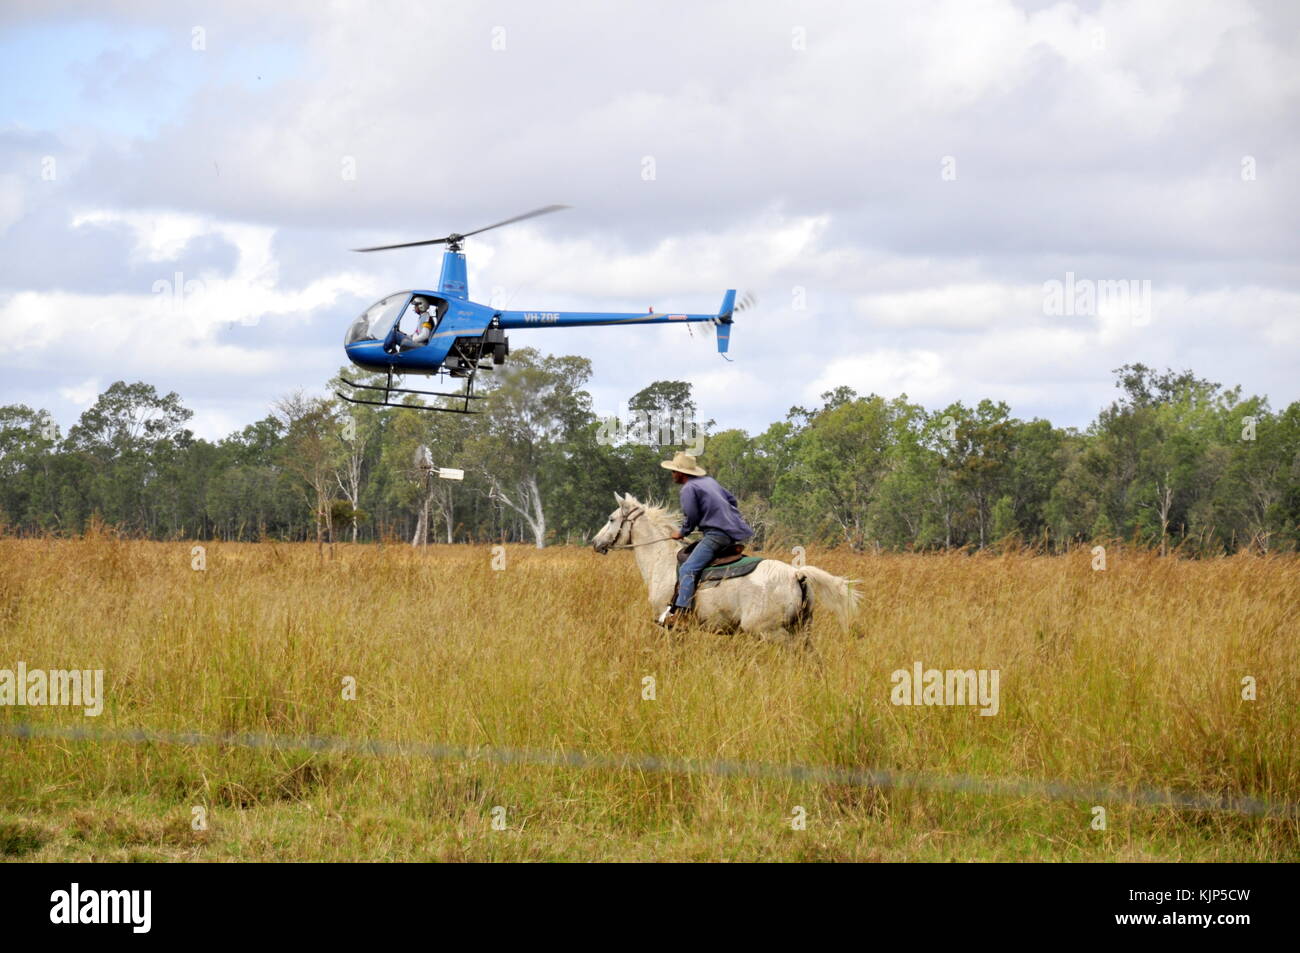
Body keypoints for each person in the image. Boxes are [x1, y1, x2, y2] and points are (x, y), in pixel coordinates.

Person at [658, 451, 754, 627]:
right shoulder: (708, 481)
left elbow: (692, 516)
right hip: (730, 534)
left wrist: (682, 532)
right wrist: (724, 516)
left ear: (681, 473)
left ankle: (682, 615)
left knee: (687, 568)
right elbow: (732, 500)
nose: (672, 475)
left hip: (716, 536)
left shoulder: (688, 489)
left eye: (673, 471)